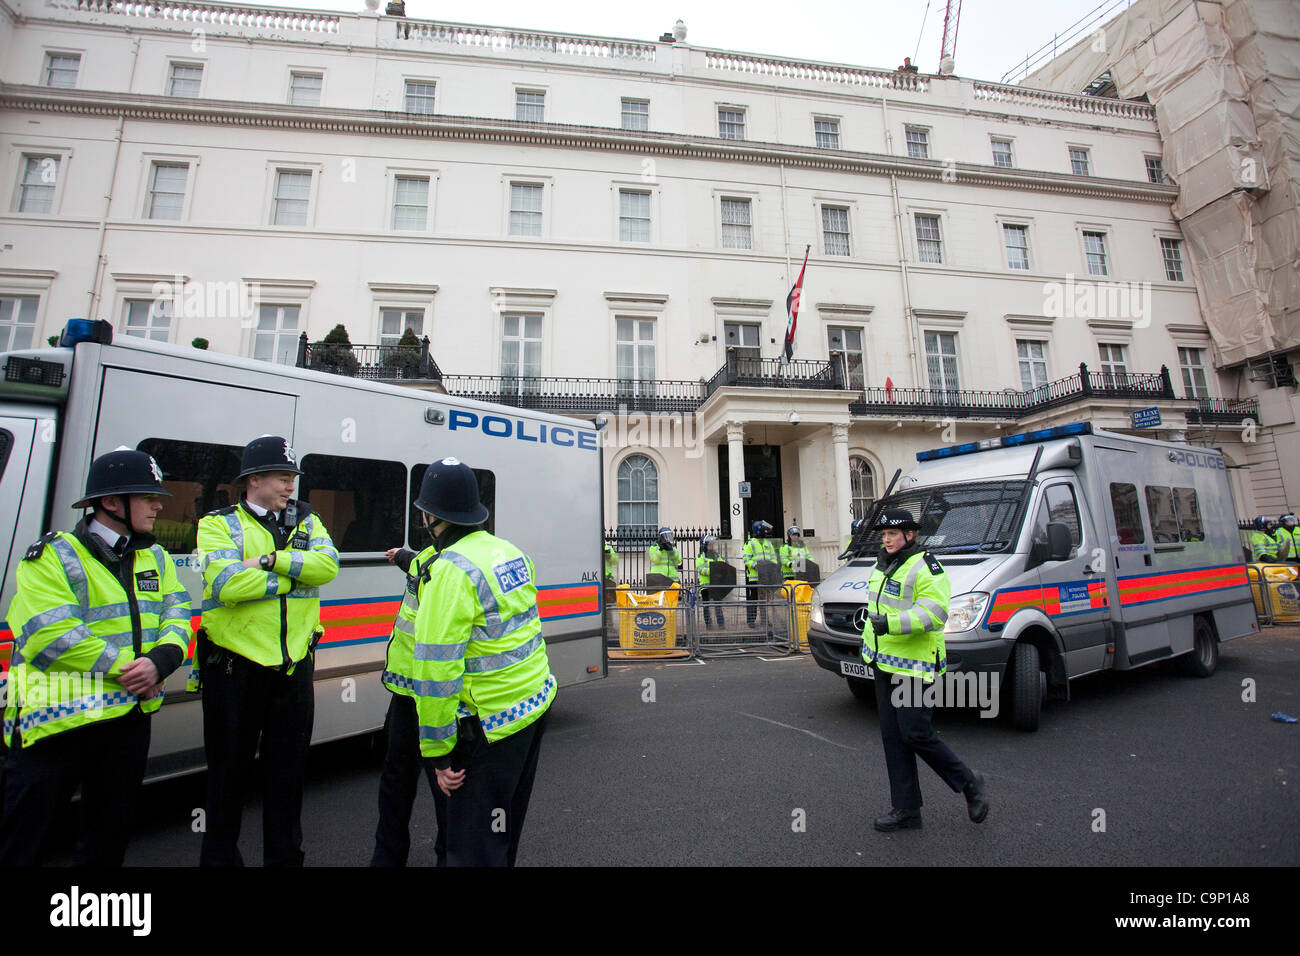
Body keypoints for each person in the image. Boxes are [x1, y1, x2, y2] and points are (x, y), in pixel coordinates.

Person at [0, 448, 191, 866]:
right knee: (23, 843)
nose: (159, 505)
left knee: (108, 842)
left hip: (126, 723)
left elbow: (178, 612)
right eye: (148, 496)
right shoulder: (52, 554)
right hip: (57, 725)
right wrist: (133, 668)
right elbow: (49, 634)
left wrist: (161, 661)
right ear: (111, 502)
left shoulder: (155, 556)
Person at [191, 435, 339, 867]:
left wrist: (270, 562)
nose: (290, 485)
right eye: (282, 477)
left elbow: (329, 567)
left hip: (293, 668)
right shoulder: (217, 524)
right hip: (235, 669)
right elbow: (227, 585)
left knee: (288, 778)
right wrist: (298, 572)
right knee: (226, 778)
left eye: (293, 477)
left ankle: (284, 859)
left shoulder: (307, 520)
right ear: (253, 480)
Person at [411, 457, 554, 867]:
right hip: (531, 708)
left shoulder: (450, 572)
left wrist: (438, 752)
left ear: (429, 515)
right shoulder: (509, 552)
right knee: (502, 833)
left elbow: (436, 669)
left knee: (471, 850)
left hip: (486, 725)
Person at [860, 508, 988, 832]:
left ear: (910, 535)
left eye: (893, 533)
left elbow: (934, 614)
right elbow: (877, 609)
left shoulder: (926, 567)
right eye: (884, 534)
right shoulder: (883, 564)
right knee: (893, 738)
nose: (886, 538)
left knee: (916, 733)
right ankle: (906, 810)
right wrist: (867, 639)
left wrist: (889, 623)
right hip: (884, 661)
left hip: (915, 666)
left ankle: (969, 783)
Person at [371, 540, 446, 867]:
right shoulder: (426, 557)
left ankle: (450, 857)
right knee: (396, 781)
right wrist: (401, 556)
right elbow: (418, 561)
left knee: (443, 784)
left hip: (438, 694)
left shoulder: (453, 566)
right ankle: (388, 858)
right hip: (406, 691)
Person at [742, 520, 778, 629]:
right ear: (759, 530)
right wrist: (756, 565)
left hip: (766, 577)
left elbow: (773, 558)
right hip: (754, 577)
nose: (766, 531)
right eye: (764, 529)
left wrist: (773, 567)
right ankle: (751, 620)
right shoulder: (750, 543)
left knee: (764, 600)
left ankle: (764, 620)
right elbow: (746, 559)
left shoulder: (768, 543)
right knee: (753, 600)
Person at [697, 534, 725, 630]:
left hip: (716, 584)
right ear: (704, 546)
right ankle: (708, 625)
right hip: (705, 586)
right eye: (710, 545)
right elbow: (701, 570)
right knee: (707, 606)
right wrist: (713, 570)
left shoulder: (716, 555)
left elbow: (722, 565)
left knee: (718, 606)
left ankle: (721, 624)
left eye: (712, 545)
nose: (711, 547)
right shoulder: (701, 557)